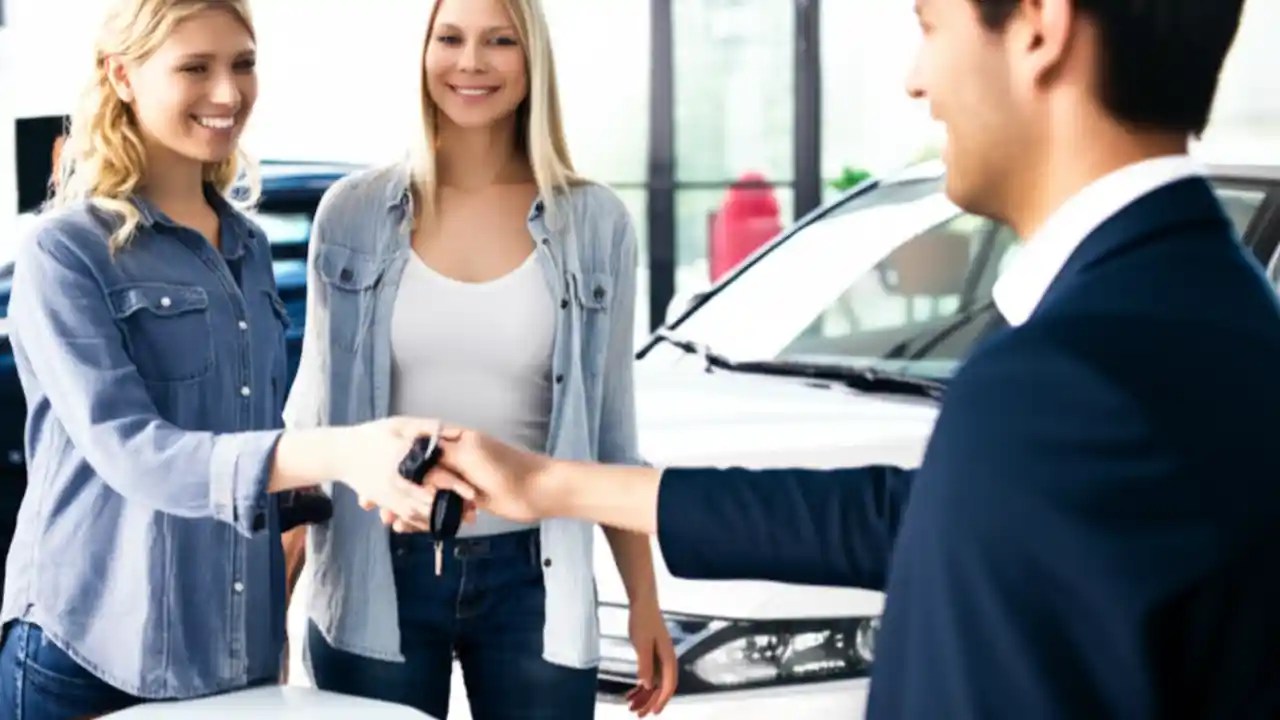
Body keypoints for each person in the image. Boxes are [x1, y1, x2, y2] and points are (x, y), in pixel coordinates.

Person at [418, 0, 1280, 718]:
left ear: (1038, 28)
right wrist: (547, 483)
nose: (915, 79)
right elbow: (905, 517)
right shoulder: (1217, 315)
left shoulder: (1062, 382)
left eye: (930, 25)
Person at [0, 1, 446, 717]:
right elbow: (135, 452)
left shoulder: (247, 248)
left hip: (233, 654)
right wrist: (337, 450)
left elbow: (246, 436)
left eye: (242, 63)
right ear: (121, 74)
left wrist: (366, 482)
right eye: (194, 68)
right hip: (89, 656)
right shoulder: (65, 251)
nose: (228, 93)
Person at [281, 0, 676, 717]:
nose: (471, 63)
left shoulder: (596, 224)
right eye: (451, 38)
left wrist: (644, 602)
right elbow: (313, 416)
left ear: (534, 61)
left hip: (536, 579)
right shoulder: (351, 215)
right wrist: (274, 583)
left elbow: (613, 435)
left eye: (500, 41)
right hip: (374, 572)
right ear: (422, 52)